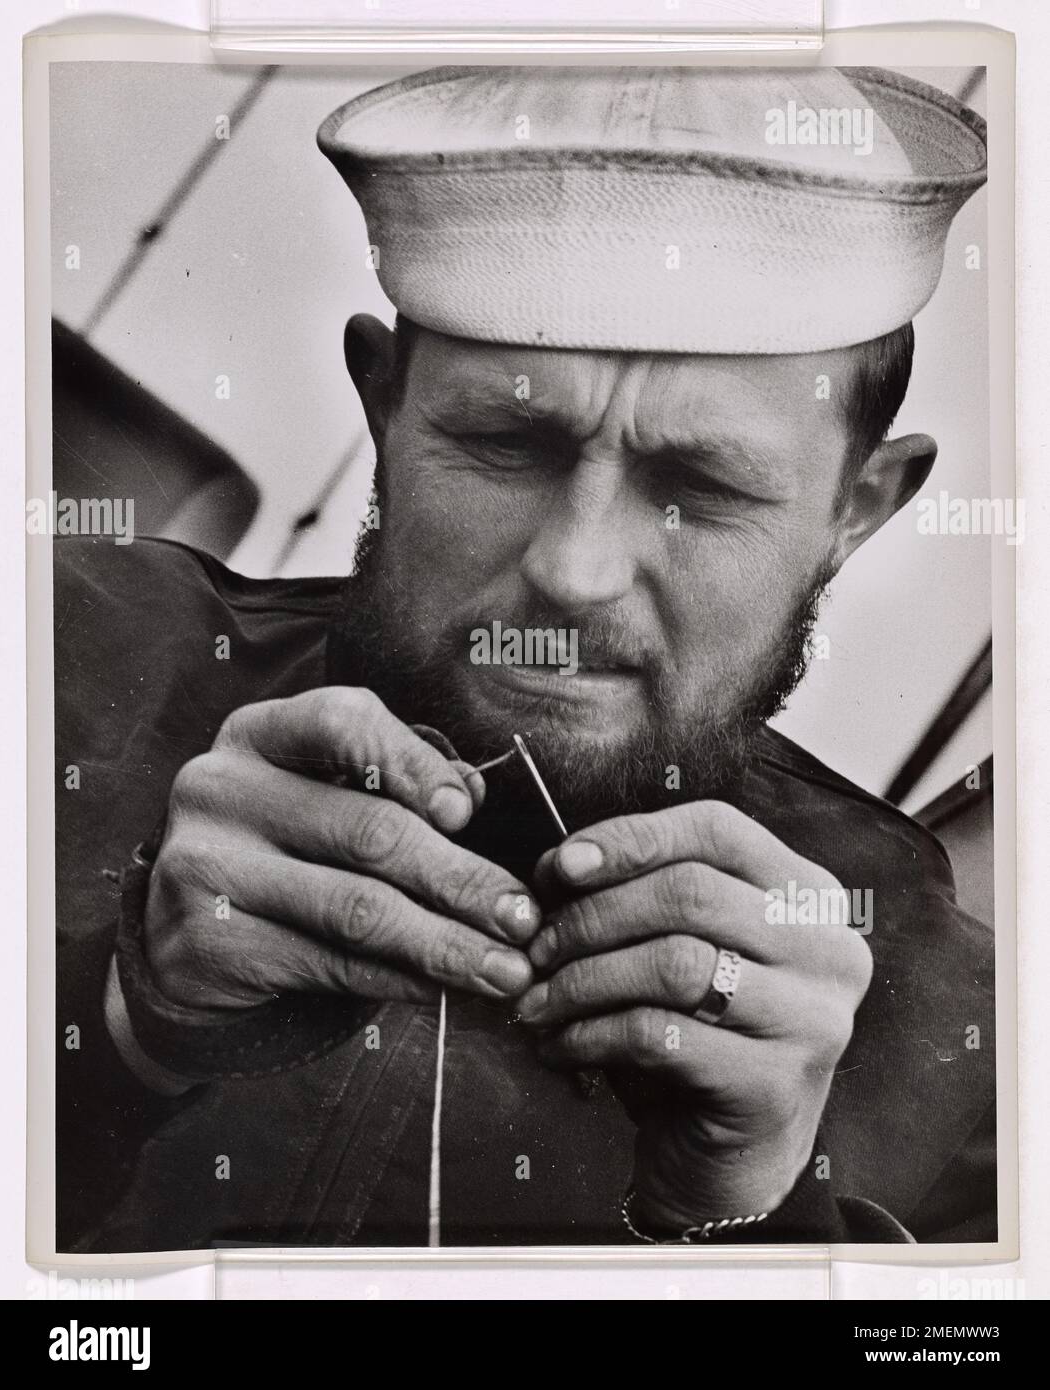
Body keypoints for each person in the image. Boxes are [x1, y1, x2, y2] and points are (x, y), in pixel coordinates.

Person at [56, 65, 994, 1251]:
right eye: (506, 442)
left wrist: (754, 1216)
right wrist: (112, 1029)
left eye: (698, 487)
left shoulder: (965, 1035)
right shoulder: (55, 658)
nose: (575, 571)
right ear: (382, 405)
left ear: (857, 509)